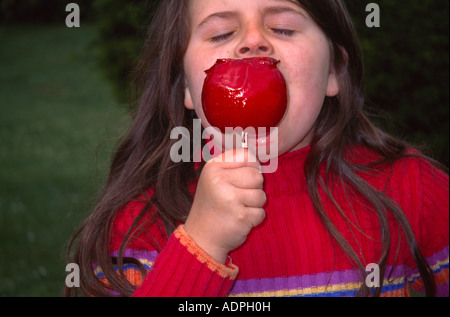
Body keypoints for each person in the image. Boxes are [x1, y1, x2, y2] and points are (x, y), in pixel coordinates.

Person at [65, 0, 449, 297]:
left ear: (334, 70)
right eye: (219, 35)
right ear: (184, 86)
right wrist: (201, 246)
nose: (252, 41)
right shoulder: (140, 225)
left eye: (281, 27)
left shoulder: (417, 195)